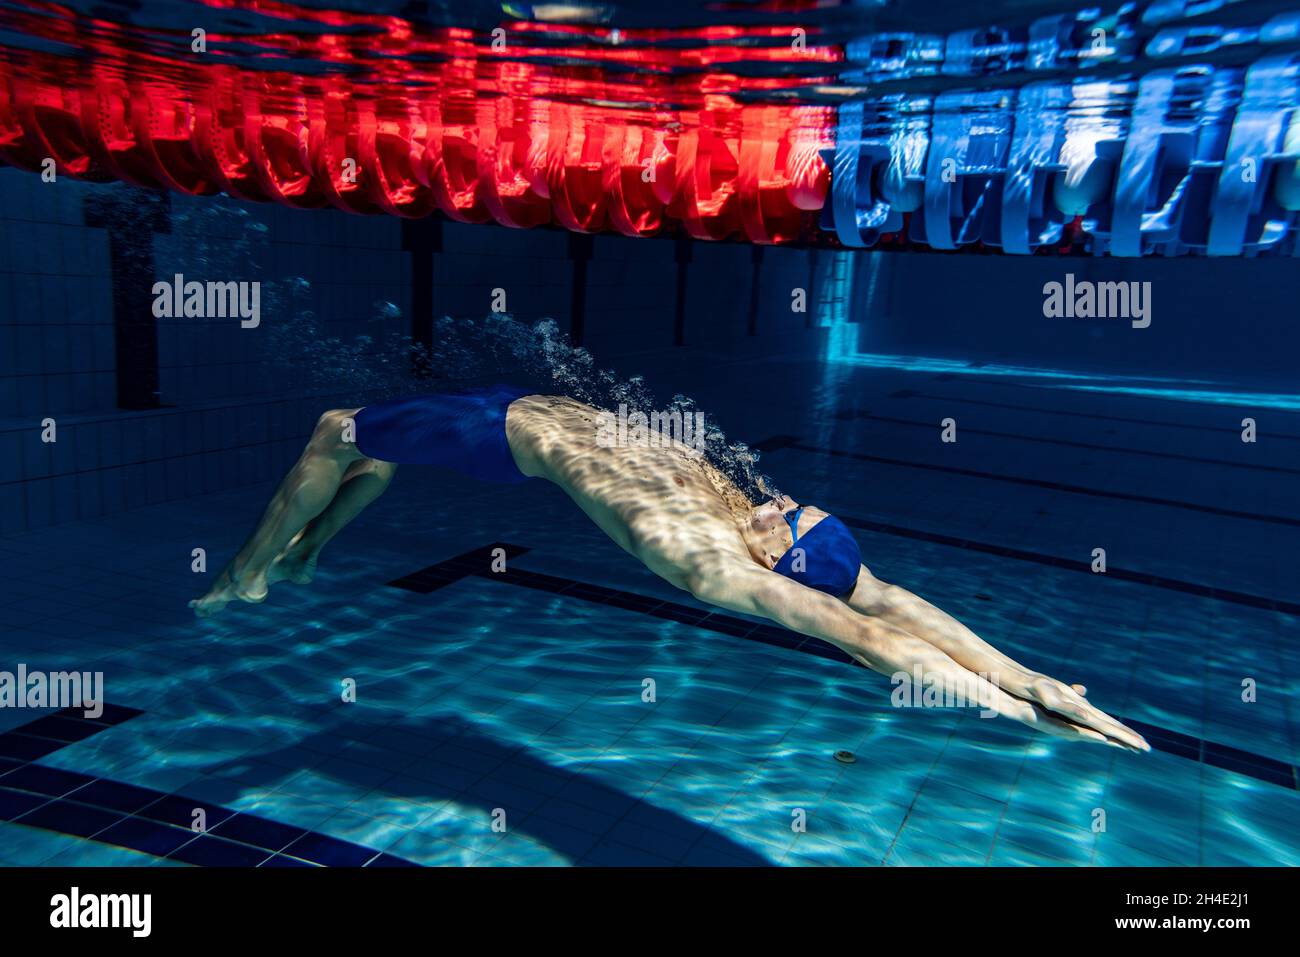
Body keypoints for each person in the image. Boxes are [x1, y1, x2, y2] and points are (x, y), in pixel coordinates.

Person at [191, 384, 1149, 752]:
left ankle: (244, 573)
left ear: (782, 557)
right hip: (513, 407)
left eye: (793, 519)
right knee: (375, 451)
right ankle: (311, 551)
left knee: (333, 428)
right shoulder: (751, 513)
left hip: (498, 433)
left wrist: (1018, 715)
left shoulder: (710, 560)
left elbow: (862, 635)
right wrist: (1032, 674)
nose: (785, 500)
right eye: (804, 502)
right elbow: (892, 599)